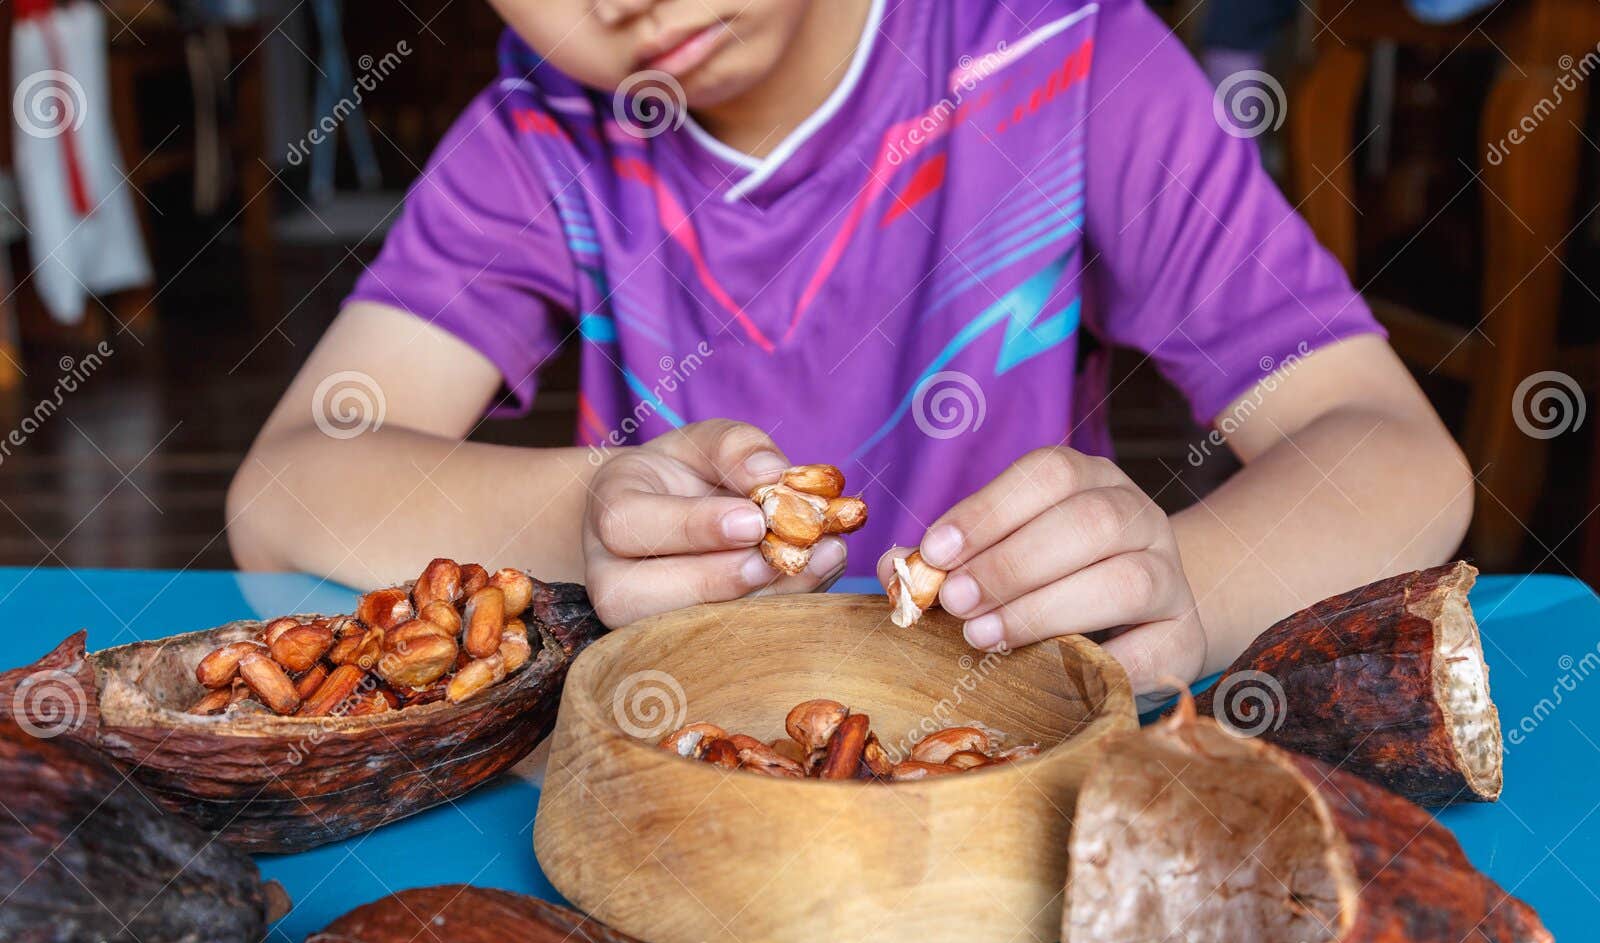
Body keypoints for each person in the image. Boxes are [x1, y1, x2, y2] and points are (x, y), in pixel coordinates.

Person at [228, 0, 1472, 699]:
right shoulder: (538, 135)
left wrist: (1179, 596)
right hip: (684, 764)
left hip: (1021, 759)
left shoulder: (1070, 62)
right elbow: (289, 493)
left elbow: (1395, 459)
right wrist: (587, 510)